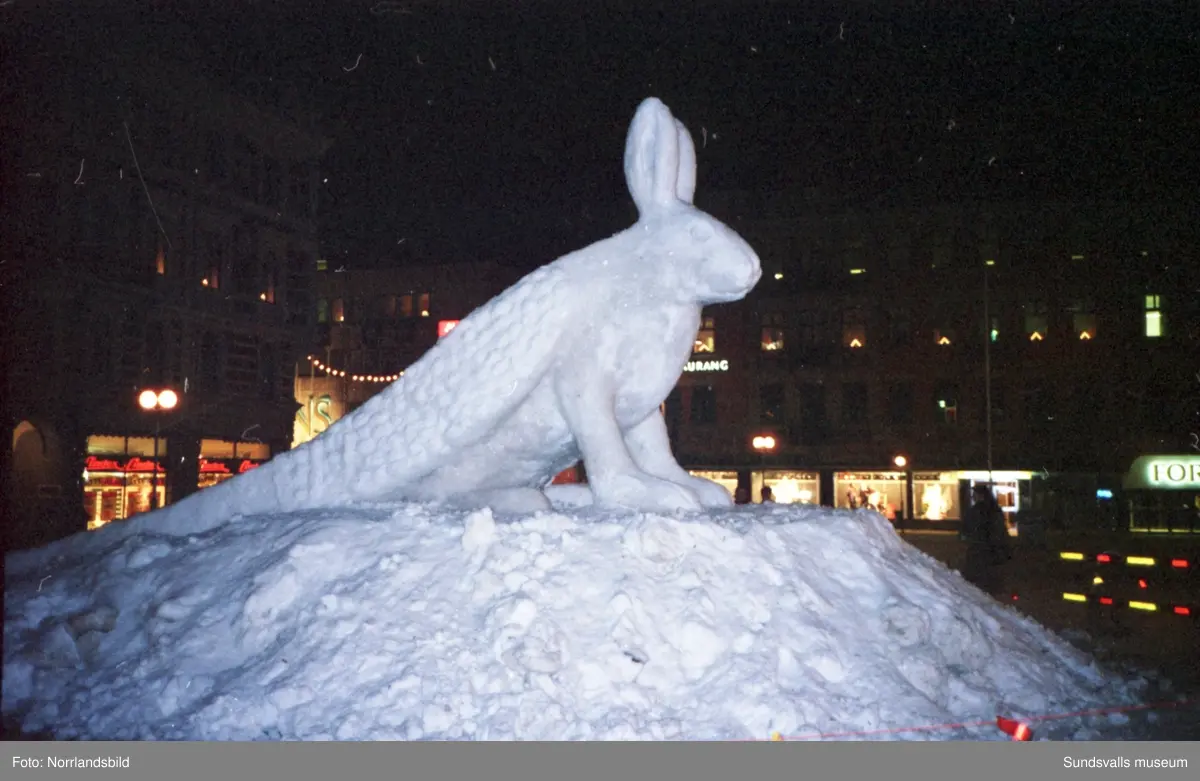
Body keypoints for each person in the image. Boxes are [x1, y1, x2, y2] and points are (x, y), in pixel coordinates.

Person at [961, 483, 1009, 596]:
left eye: (974, 494)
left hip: (979, 550)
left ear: (980, 496)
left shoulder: (975, 511)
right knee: (991, 581)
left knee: (977, 581)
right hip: (993, 551)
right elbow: (1001, 531)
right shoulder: (995, 510)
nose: (973, 497)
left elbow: (965, 530)